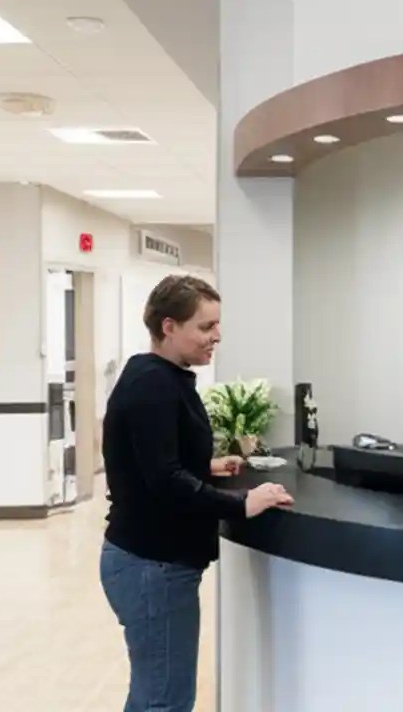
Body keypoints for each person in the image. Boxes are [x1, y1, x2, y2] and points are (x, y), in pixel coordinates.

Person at [99, 274, 293, 712]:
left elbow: (147, 460)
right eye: (206, 327)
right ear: (169, 327)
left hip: (150, 562)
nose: (217, 337)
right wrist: (243, 502)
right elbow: (165, 482)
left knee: (157, 694)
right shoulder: (154, 385)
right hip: (152, 565)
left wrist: (203, 466)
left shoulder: (155, 375)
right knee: (164, 701)